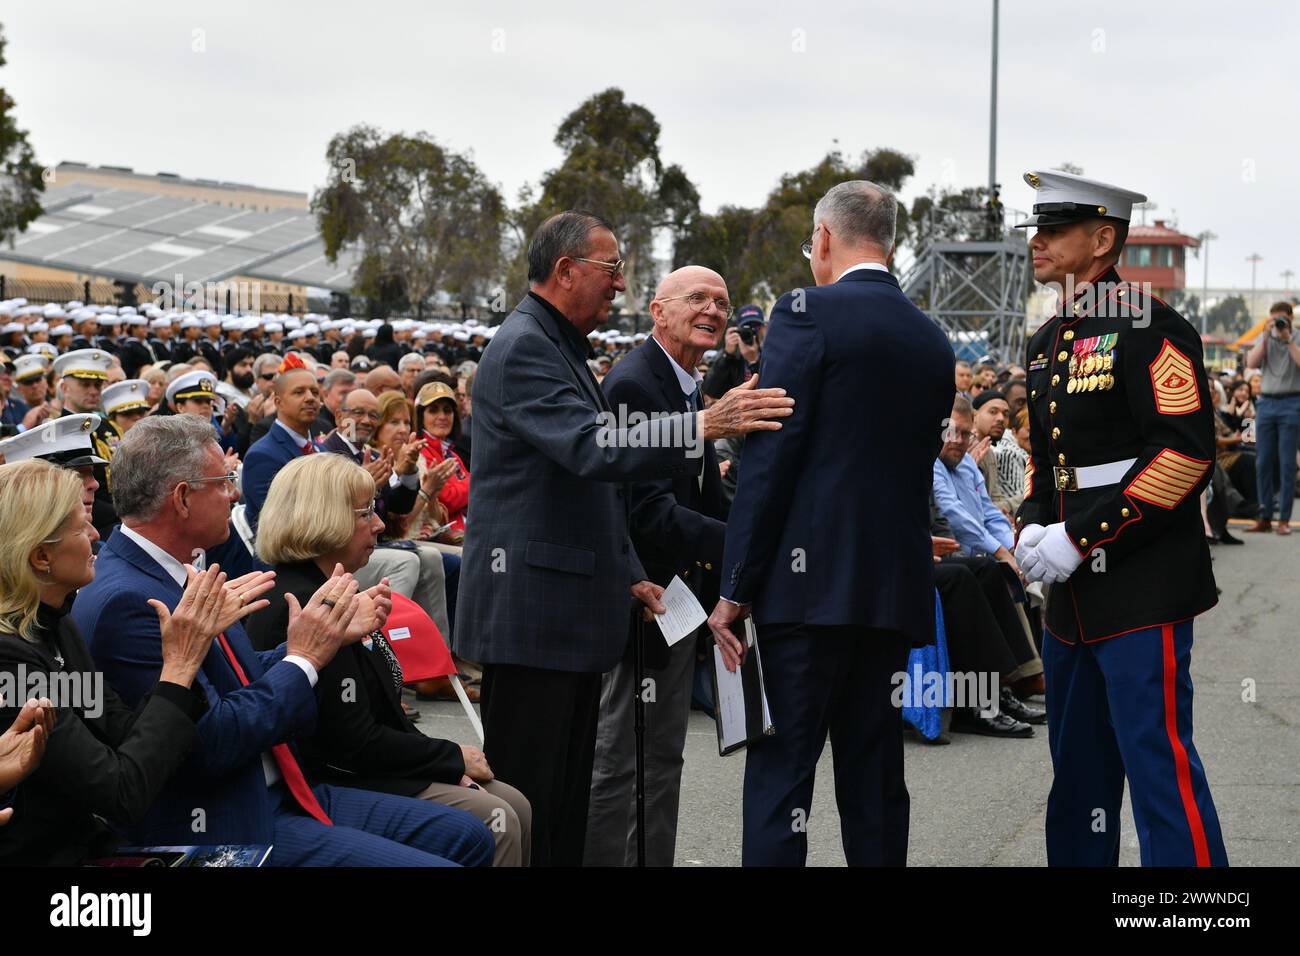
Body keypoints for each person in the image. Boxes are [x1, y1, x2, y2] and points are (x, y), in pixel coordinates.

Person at [456, 210, 792, 866]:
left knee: (559, 799)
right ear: (565, 270)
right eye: (611, 270)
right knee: (530, 802)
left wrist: (626, 570)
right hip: (534, 616)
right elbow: (592, 448)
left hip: (565, 611)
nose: (619, 286)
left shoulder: (558, 346)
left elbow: (592, 490)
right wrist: (702, 424)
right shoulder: (528, 344)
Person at [72, 416, 494, 866]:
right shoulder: (133, 600)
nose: (235, 494)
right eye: (223, 482)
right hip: (225, 820)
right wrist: (303, 659)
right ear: (182, 498)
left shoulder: (174, 569)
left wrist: (320, 640)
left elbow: (234, 675)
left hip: (278, 789)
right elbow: (211, 743)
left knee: (472, 836)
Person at [707, 180, 955, 866]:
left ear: (822, 237)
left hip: (806, 592)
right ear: (892, 242)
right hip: (890, 590)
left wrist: (735, 587)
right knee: (875, 781)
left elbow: (771, 458)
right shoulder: (932, 340)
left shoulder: (805, 311)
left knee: (783, 780)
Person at [1010, 168, 1226, 866]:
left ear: (1103, 238)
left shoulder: (1151, 324)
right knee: (1078, 780)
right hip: (1069, 602)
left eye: (1054, 230)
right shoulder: (1045, 343)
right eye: (1036, 229)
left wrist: (1080, 538)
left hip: (1142, 586)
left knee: (1158, 773)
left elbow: (1183, 456)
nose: (1036, 242)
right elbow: (1048, 464)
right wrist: (1033, 532)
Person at [247, 453, 532, 866]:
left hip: (363, 764)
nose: (379, 525)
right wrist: (449, 757)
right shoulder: (303, 603)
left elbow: (379, 717)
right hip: (332, 779)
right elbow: (349, 743)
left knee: (514, 804)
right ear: (323, 517)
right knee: (497, 815)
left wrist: (444, 758)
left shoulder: (330, 586)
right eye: (365, 513)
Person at [0, 459, 261, 864]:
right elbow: (120, 791)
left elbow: (119, 729)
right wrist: (177, 668)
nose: (94, 535)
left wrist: (192, 653)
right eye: (80, 526)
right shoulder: (10, 660)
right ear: (40, 558)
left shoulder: (55, 624)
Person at [585, 266, 731, 867]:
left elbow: (706, 499)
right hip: (644, 604)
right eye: (697, 298)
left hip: (681, 602)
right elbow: (648, 513)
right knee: (623, 757)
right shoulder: (634, 385)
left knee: (660, 756)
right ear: (657, 310)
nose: (714, 310)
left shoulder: (687, 385)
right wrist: (747, 544)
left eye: (722, 301)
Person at [241, 359, 323, 530]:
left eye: (315, 392)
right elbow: (278, 525)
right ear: (278, 402)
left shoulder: (322, 450)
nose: (310, 398)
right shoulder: (262, 456)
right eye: (299, 392)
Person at [1244, 301, 1300, 535]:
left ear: (1290, 319)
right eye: (1274, 319)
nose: (1278, 323)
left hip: (1291, 402)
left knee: (1287, 464)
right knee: (1262, 462)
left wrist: (1287, 339)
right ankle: (1265, 515)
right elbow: (1251, 363)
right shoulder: (1265, 337)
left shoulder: (1296, 336)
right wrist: (1266, 336)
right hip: (1265, 402)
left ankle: (1284, 519)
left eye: (1282, 319)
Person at [412, 381, 469, 542]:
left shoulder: (450, 452)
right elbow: (446, 499)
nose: (442, 417)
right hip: (444, 537)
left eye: (447, 410)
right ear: (421, 415)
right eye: (433, 410)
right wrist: (475, 482)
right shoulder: (419, 450)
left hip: (463, 529)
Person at [702, 304, 762, 401]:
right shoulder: (731, 356)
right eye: (745, 328)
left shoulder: (770, 355)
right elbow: (711, 391)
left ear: (763, 328)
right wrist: (727, 355)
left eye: (756, 327)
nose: (750, 331)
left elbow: (771, 390)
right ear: (737, 330)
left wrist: (754, 362)